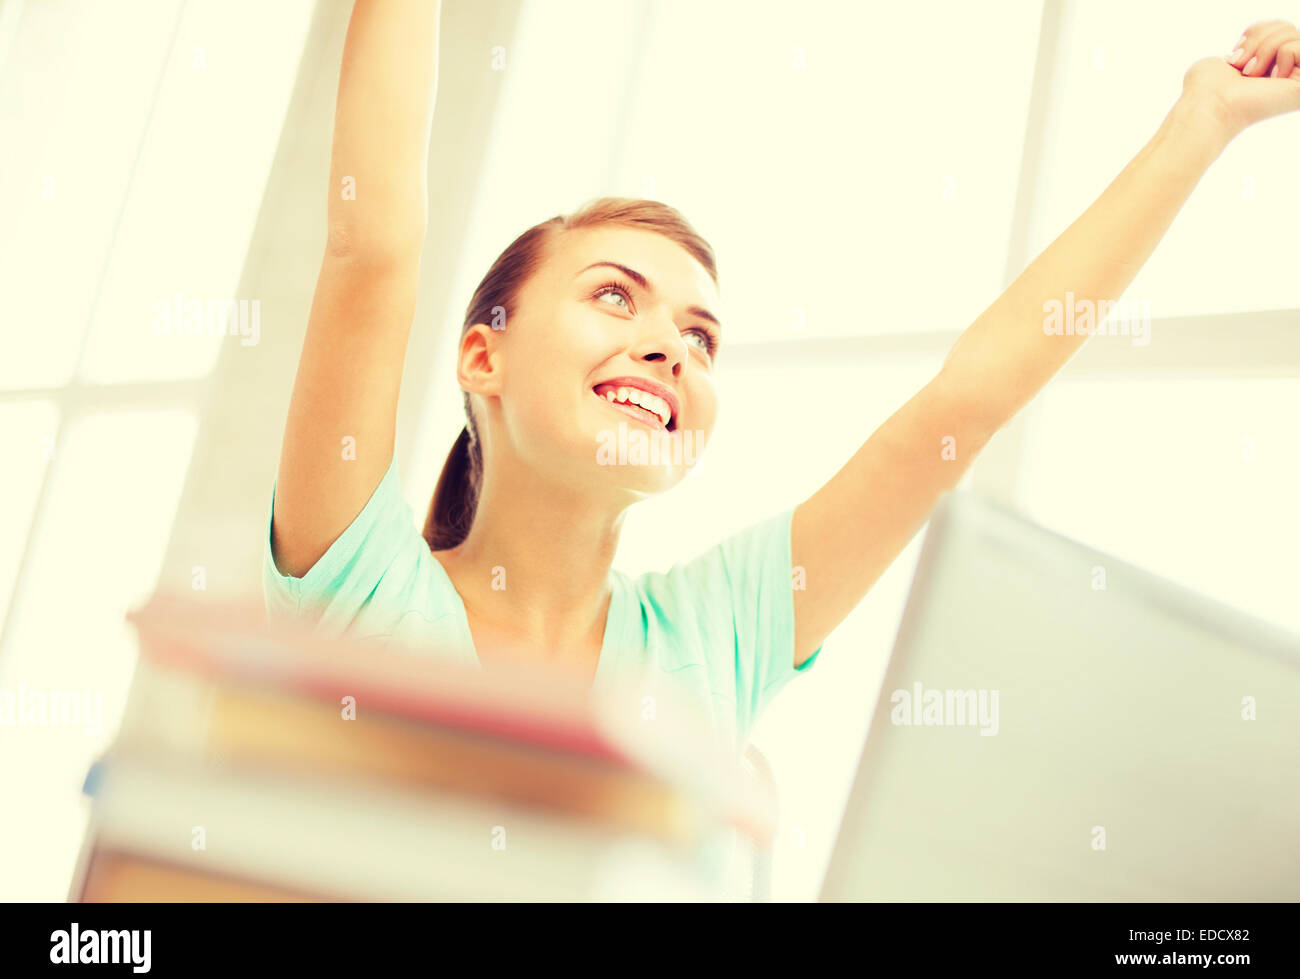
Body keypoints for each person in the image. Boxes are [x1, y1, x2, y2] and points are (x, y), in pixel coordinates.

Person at [264, 0, 1300, 751]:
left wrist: (1199, 124)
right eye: (615, 297)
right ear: (481, 355)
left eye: (701, 336)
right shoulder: (357, 589)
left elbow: (963, 403)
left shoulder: (715, 635)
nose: (671, 347)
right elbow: (376, 246)